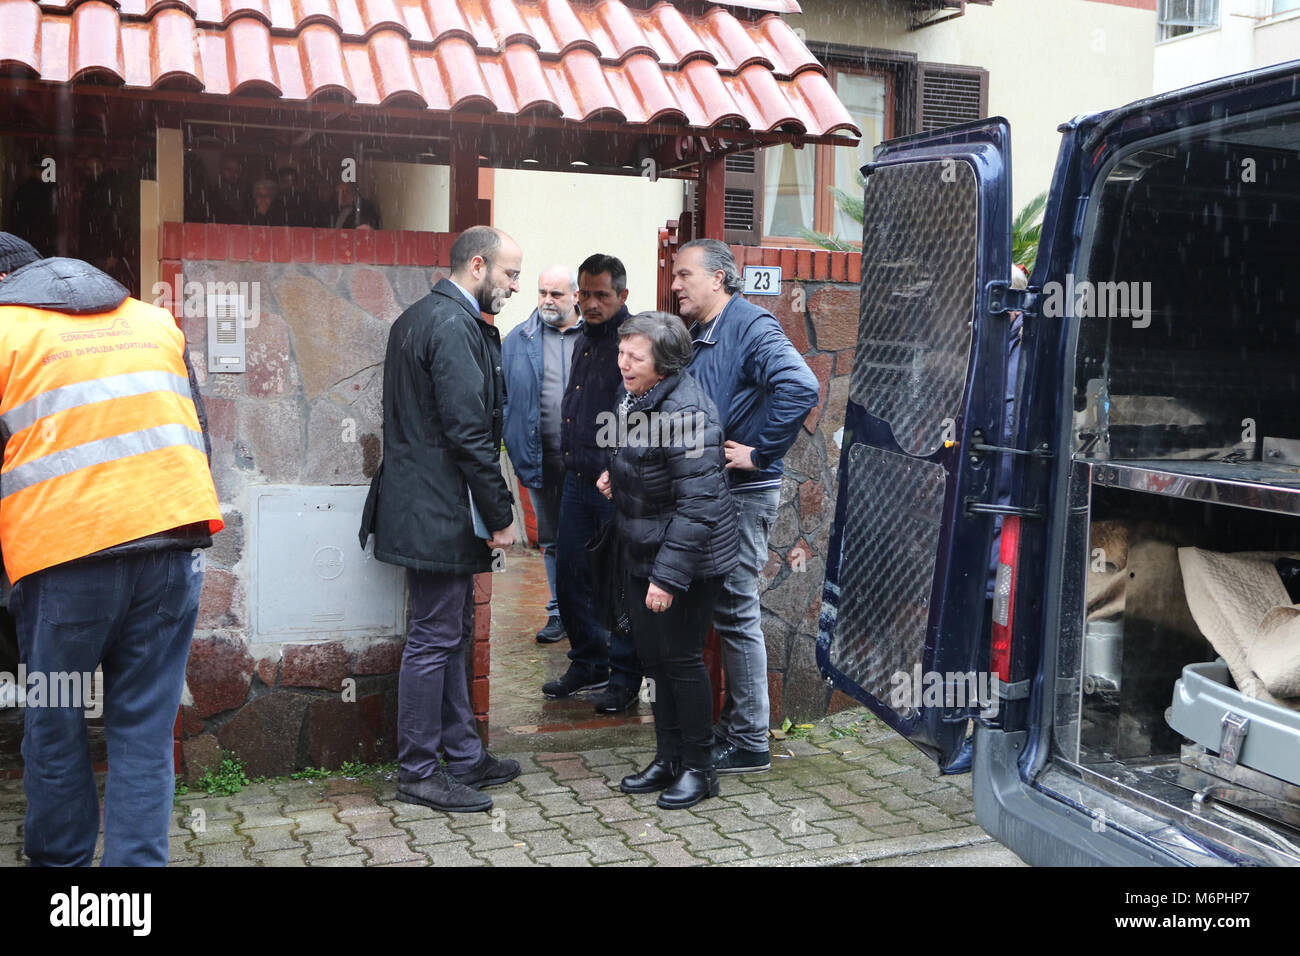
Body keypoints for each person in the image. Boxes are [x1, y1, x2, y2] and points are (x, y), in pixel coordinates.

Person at [0, 233, 223, 865]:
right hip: (172, 555)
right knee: (144, 734)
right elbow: (196, 434)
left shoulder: (4, 334)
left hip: (65, 572)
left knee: (57, 726)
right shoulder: (154, 321)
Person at [359, 225, 522, 813]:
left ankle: (464, 755)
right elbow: (467, 430)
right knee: (433, 638)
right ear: (477, 266)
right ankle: (420, 773)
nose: (514, 287)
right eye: (509, 274)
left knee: (446, 633)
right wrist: (501, 513)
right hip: (438, 508)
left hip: (426, 504)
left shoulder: (418, 317)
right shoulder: (453, 326)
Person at [670, 238, 819, 774]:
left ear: (719, 278)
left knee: (735, 609)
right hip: (712, 492)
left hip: (741, 494)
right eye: (674, 274)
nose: (676, 283)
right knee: (722, 611)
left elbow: (801, 387)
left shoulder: (751, 326)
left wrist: (759, 452)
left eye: (685, 274)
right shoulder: (700, 333)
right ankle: (736, 727)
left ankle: (752, 740)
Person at [596, 311, 739, 808]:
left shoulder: (688, 414)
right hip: (641, 544)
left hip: (688, 559)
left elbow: (698, 506)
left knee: (680, 661)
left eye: (635, 356)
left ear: (665, 362)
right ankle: (667, 758)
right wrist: (615, 476)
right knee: (653, 660)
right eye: (621, 353)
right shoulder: (633, 395)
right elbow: (632, 452)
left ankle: (699, 770)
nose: (623, 363)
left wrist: (667, 578)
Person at [541, 254, 643, 714]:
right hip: (577, 481)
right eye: (585, 294)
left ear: (623, 295)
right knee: (570, 578)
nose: (592, 302)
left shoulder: (635, 342)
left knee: (616, 586)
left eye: (603, 294)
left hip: (614, 487)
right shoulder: (583, 336)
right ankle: (587, 662)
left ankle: (623, 677)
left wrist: (620, 468)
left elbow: (644, 412)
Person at [501, 265, 582, 644]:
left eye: (557, 294)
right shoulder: (519, 340)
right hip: (541, 461)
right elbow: (501, 401)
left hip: (589, 465)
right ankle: (559, 613)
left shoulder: (599, 338)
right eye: (542, 293)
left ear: (576, 296)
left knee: (591, 539)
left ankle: (591, 615)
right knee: (550, 540)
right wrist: (514, 447)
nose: (548, 301)